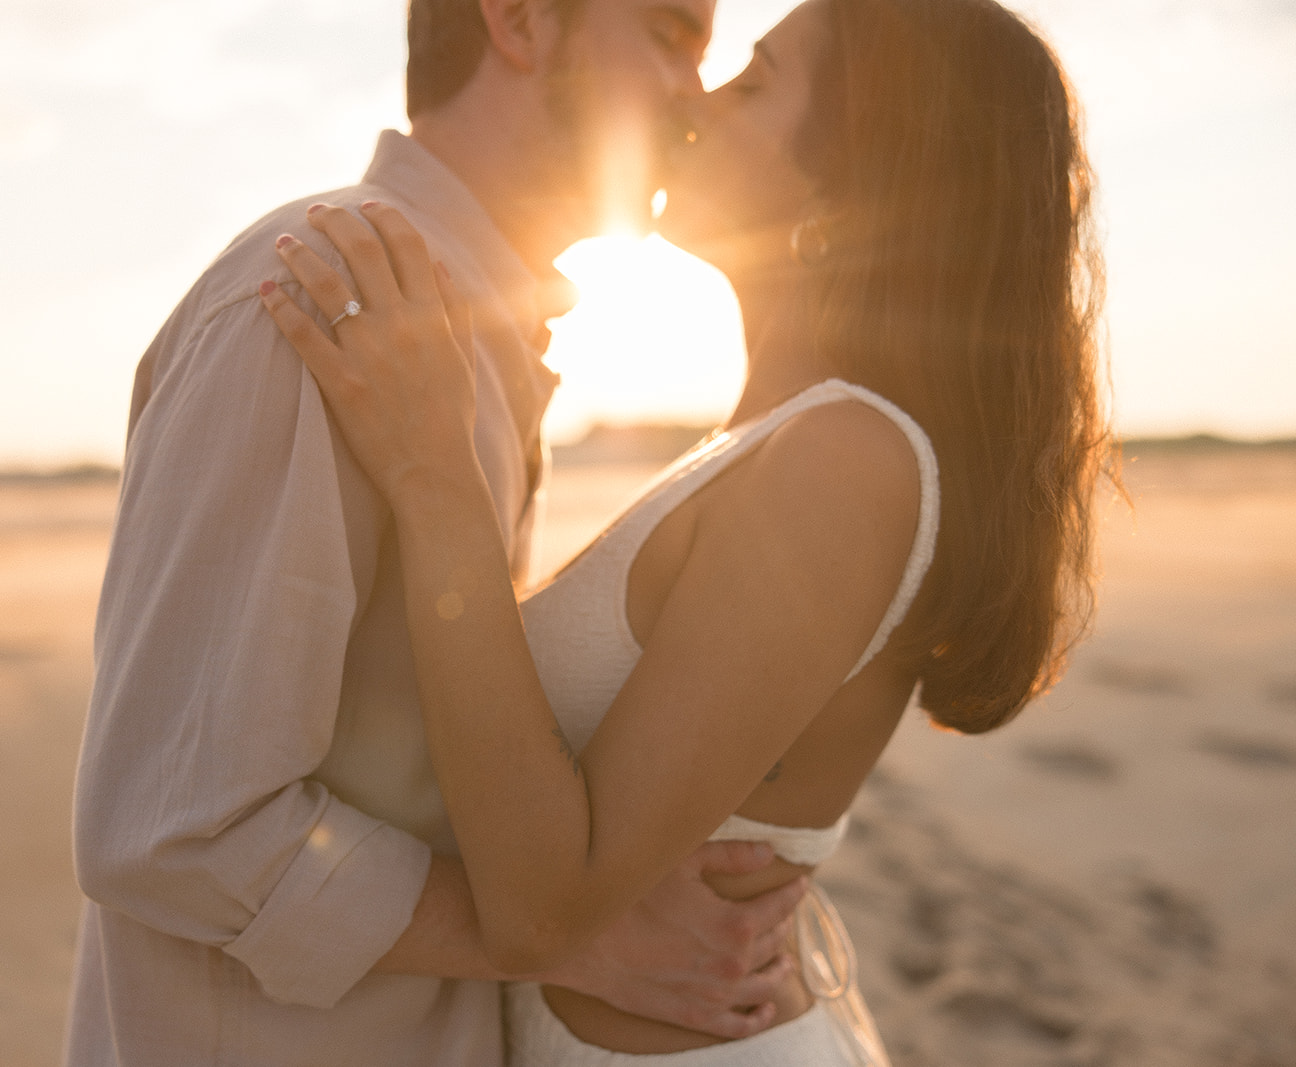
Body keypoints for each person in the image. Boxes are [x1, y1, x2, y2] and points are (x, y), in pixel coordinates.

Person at [259, 0, 1115, 1061]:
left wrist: (434, 474)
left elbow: (541, 907)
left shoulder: (842, 463)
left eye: (750, 82)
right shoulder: (772, 444)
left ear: (851, 185)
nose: (691, 99)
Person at [65, 1, 817, 1065]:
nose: (695, 94)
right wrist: (560, 939)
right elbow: (175, 828)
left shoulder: (463, 334)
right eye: (667, 32)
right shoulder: (316, 301)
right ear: (518, 20)